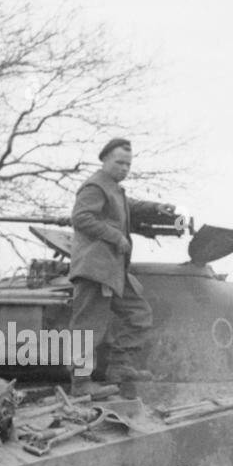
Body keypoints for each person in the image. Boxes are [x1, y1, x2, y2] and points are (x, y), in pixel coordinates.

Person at [69, 137, 173, 398]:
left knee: (138, 313)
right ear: (104, 159)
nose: (124, 168)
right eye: (119, 163)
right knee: (88, 327)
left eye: (128, 164)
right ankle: (80, 384)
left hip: (112, 270)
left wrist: (157, 208)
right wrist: (116, 236)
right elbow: (81, 217)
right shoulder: (95, 186)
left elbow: (129, 207)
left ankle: (120, 368)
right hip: (95, 268)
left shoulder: (114, 188)